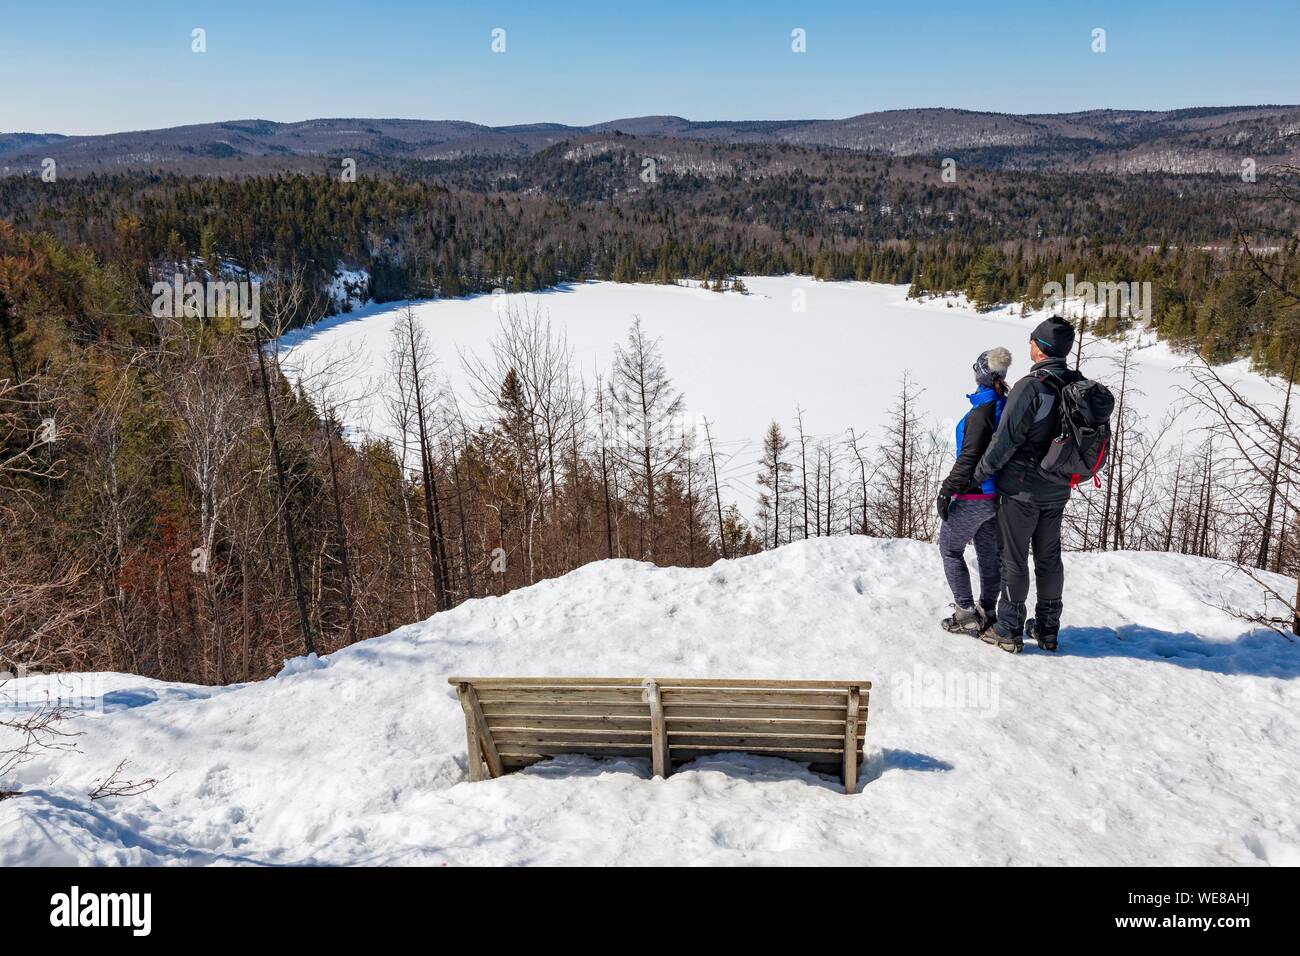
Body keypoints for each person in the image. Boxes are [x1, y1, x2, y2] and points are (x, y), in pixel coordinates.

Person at [970, 316, 1080, 654]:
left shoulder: (1031, 386)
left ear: (1041, 348)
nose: (1028, 346)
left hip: (1021, 489)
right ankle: (1047, 629)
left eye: (1032, 341)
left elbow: (1006, 439)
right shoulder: (1076, 384)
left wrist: (980, 473)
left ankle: (1009, 628)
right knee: (1049, 558)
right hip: (1058, 487)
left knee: (1014, 559)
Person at [935, 347, 1012, 635]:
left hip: (975, 494)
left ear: (981, 375)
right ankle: (988, 611)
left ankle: (966, 613)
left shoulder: (982, 412)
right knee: (988, 556)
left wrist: (946, 490)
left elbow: (969, 458)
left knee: (950, 549)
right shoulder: (1005, 405)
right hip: (997, 498)